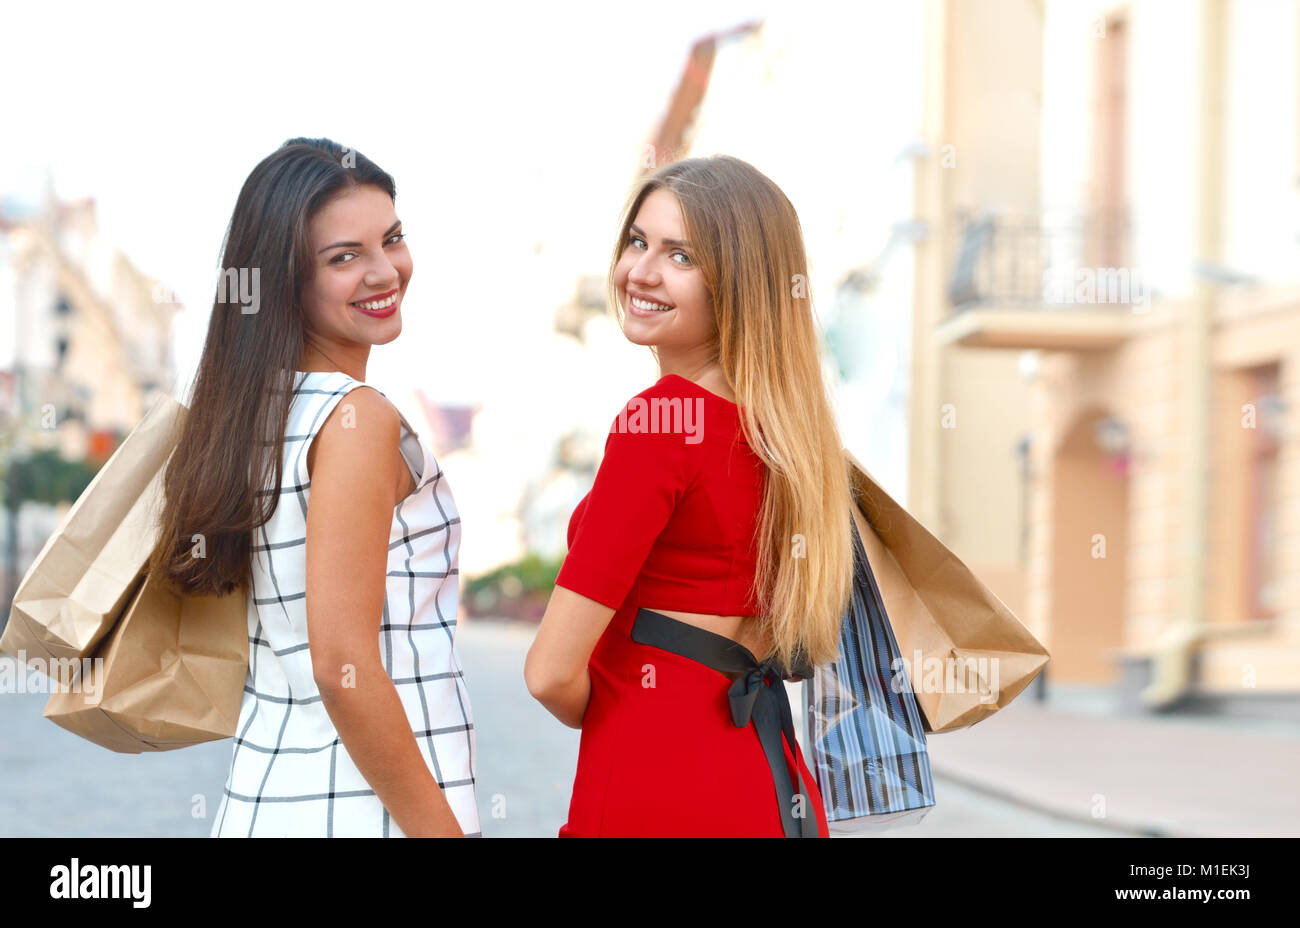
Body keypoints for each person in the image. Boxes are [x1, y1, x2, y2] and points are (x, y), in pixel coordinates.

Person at [146, 137, 478, 837]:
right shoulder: (355, 419)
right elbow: (340, 663)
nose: (385, 270)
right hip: (357, 811)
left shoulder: (246, 418)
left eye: (391, 238)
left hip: (266, 796)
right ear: (286, 281)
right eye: (344, 257)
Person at [525, 155, 854, 837]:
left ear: (739, 282)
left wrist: (633, 704)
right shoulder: (791, 435)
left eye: (681, 256)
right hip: (767, 778)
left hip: (655, 778)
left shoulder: (662, 422)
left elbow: (550, 673)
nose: (641, 272)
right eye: (638, 242)